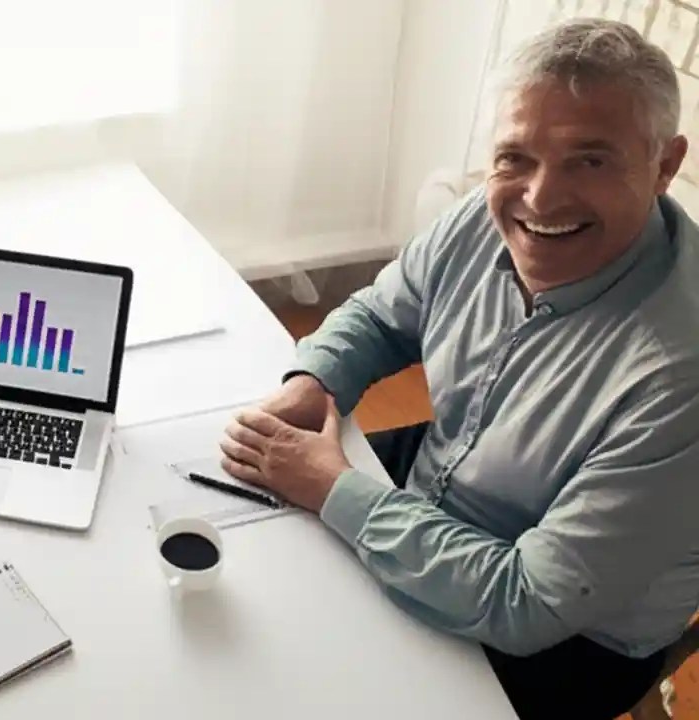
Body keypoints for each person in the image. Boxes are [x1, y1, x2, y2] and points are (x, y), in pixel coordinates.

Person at [218, 18, 699, 720]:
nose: (539, 198)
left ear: (663, 164)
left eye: (589, 161)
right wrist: (313, 383)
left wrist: (333, 488)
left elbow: (527, 602)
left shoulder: (679, 377)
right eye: (515, 158)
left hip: (566, 634)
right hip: (447, 478)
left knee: (306, 685)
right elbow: (385, 315)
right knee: (235, 547)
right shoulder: (483, 211)